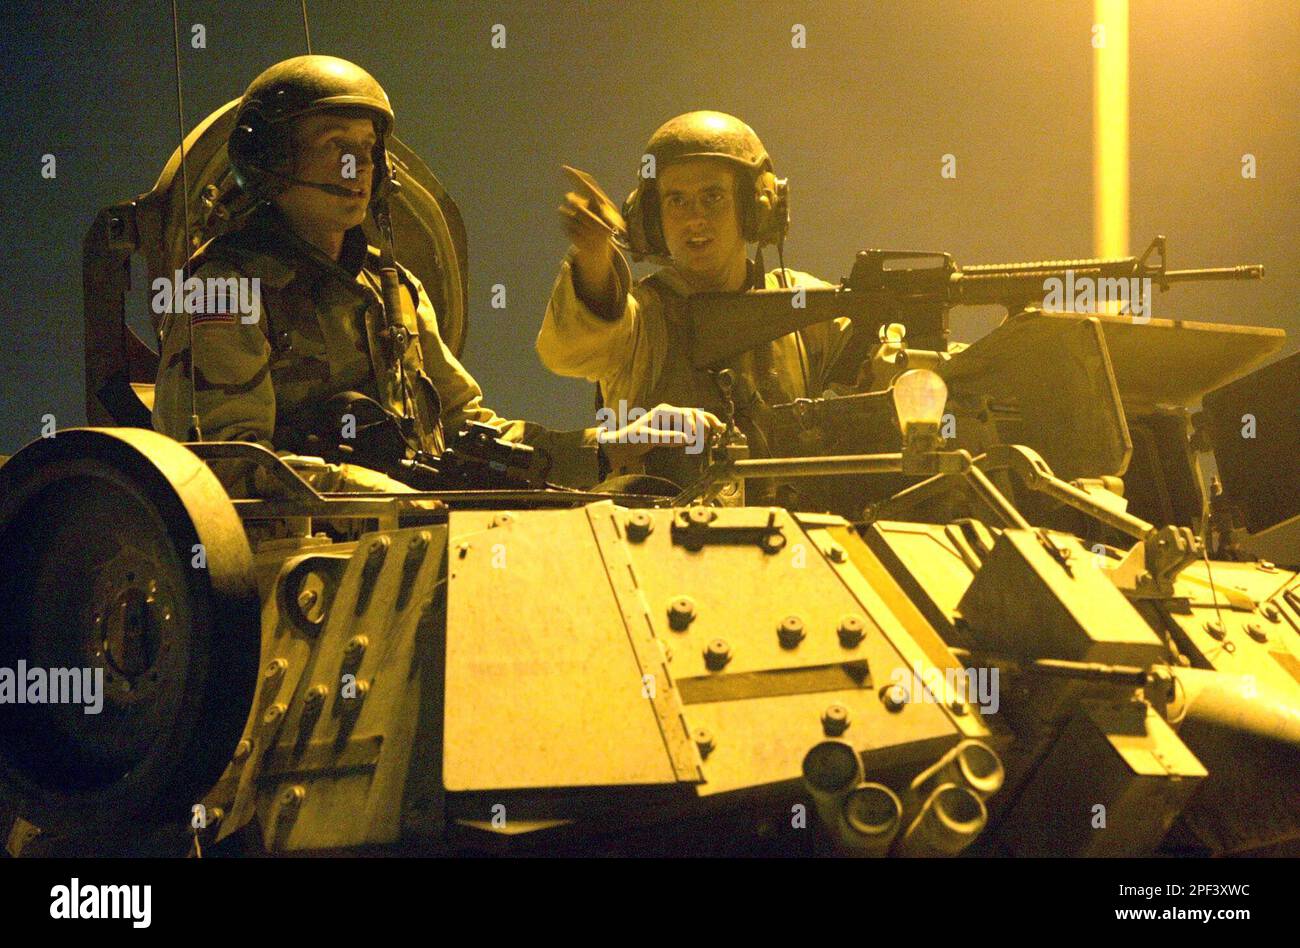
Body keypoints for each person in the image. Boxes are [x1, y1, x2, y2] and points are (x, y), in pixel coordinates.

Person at [152, 55, 714, 496]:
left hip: (407, 542)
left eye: (368, 150)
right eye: (334, 147)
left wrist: (605, 449)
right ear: (272, 158)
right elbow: (215, 466)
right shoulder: (221, 290)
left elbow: (465, 429)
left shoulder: (394, 291)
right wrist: (372, 494)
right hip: (293, 573)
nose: (359, 169)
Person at [538, 111, 853, 484]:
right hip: (654, 531)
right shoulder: (644, 321)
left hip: (795, 532)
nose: (695, 219)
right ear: (652, 219)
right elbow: (571, 349)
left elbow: (882, 381)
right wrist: (594, 260)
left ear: (755, 207)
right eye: (677, 201)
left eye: (712, 197)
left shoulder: (803, 308)